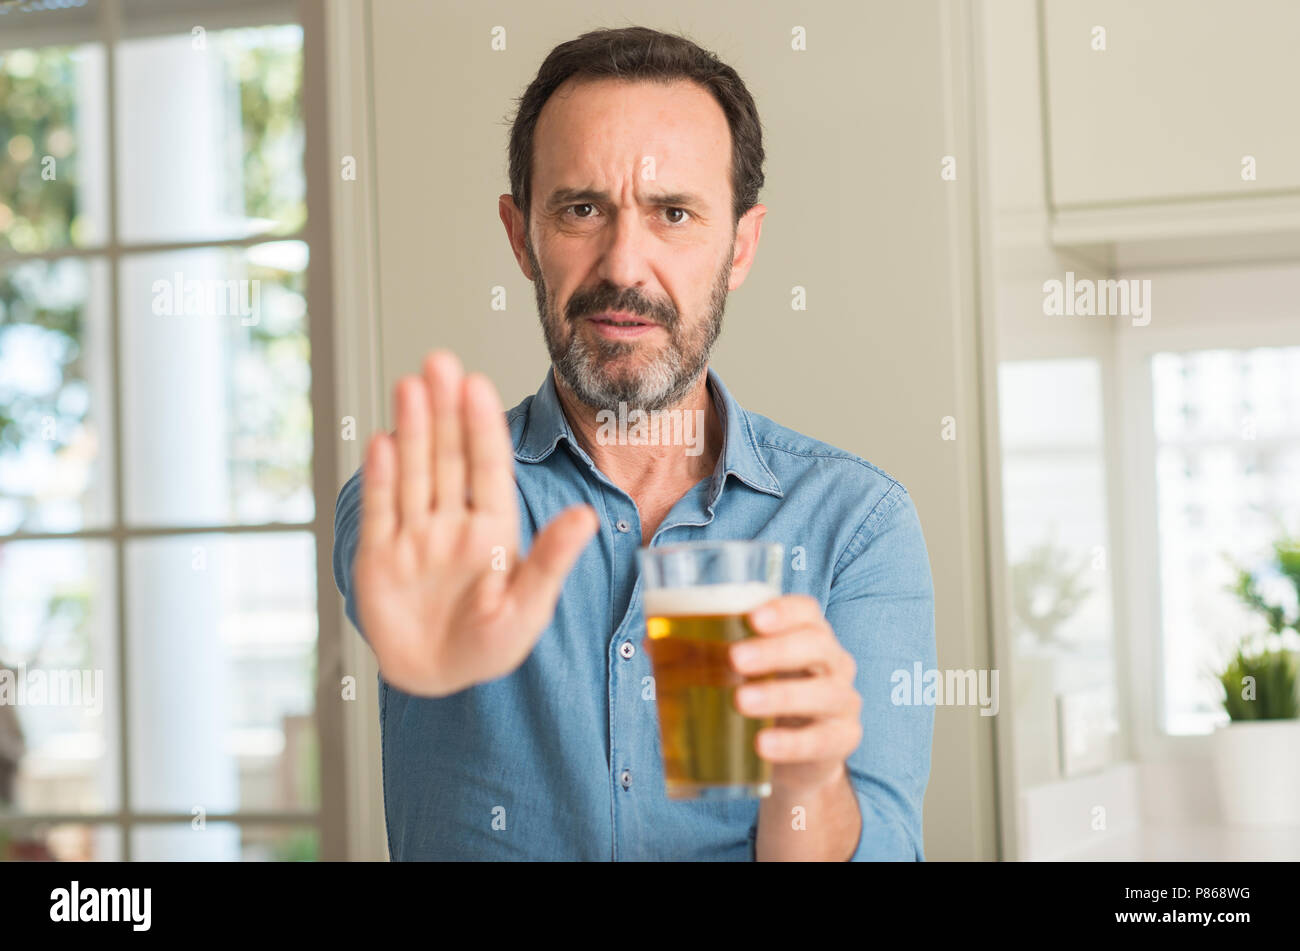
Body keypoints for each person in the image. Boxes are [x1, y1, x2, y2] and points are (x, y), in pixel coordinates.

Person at [333, 25, 935, 861]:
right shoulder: (429, 496)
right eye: (582, 209)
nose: (625, 264)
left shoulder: (856, 524)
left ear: (741, 246)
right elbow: (389, 574)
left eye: (674, 213)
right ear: (521, 236)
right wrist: (430, 640)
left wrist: (807, 780)